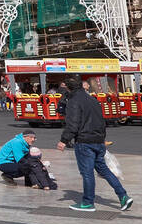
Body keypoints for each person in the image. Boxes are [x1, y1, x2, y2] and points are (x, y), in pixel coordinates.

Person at [57, 76, 133, 213]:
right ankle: (123, 195)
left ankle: (87, 202)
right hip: (98, 141)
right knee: (104, 170)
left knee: (87, 173)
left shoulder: (74, 101)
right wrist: (102, 138)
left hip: (85, 142)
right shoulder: (92, 99)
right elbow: (101, 121)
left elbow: (73, 123)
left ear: (67, 88)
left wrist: (64, 140)